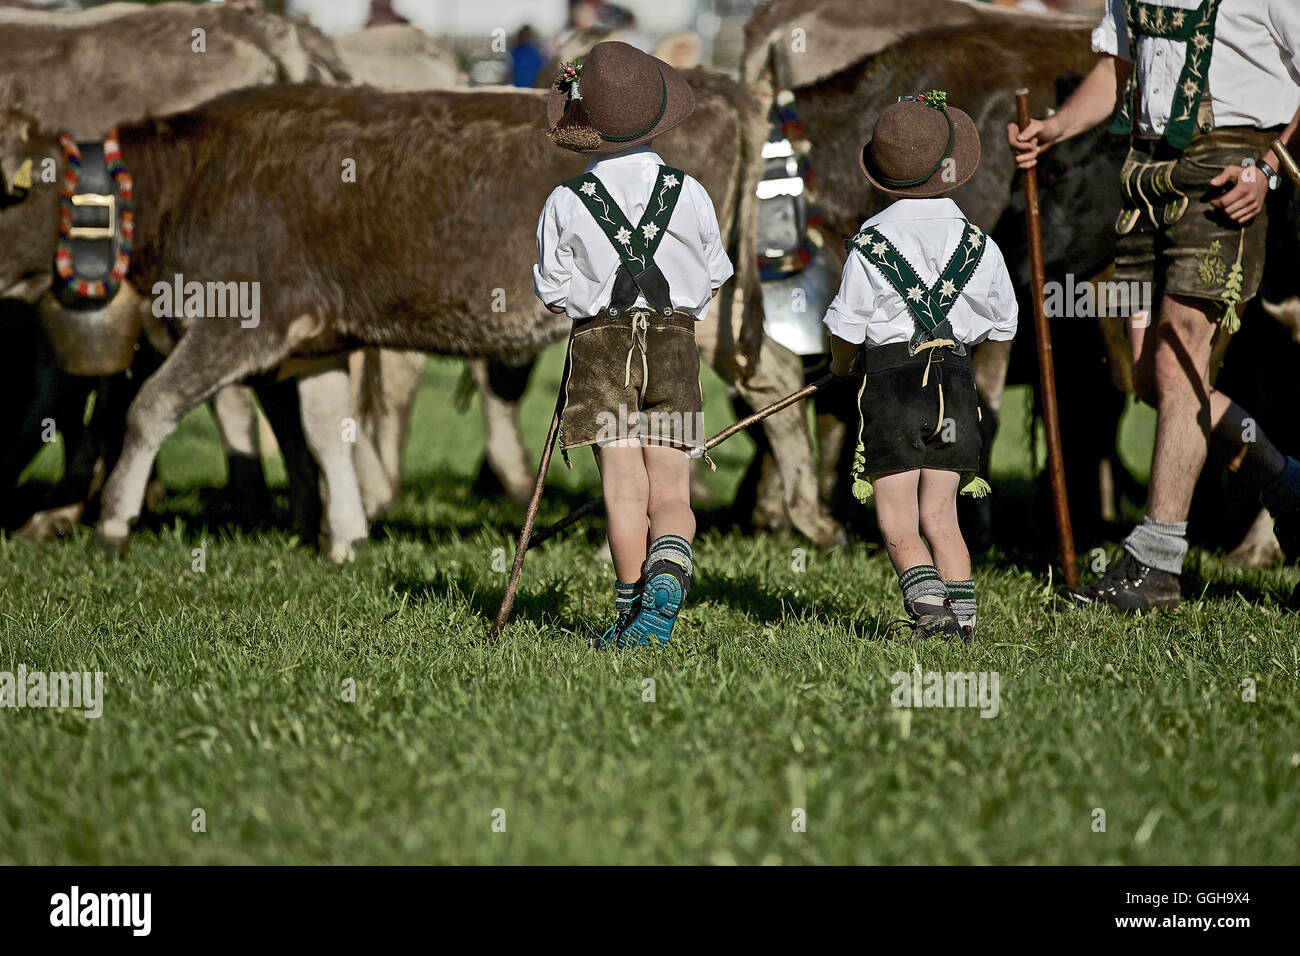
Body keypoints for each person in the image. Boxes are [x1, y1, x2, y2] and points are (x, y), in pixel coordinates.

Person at [1010, 0, 1300, 612]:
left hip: (1230, 174)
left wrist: (1268, 168)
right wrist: (1057, 127)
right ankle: (1290, 486)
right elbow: (1117, 70)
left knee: (1178, 363)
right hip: (1145, 176)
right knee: (1148, 377)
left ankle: (1156, 563)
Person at [533, 42, 733, 649]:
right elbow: (716, 273)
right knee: (672, 490)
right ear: (657, 115)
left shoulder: (566, 200)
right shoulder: (691, 191)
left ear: (587, 123)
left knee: (623, 489)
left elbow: (551, 290)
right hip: (673, 343)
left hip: (600, 349)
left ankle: (629, 610)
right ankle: (668, 572)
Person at [824, 92, 1018, 640]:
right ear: (950, 170)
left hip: (892, 388)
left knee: (896, 518)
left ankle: (932, 617)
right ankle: (965, 622)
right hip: (955, 387)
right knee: (942, 516)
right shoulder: (980, 243)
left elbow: (845, 327)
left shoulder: (870, 242)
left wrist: (843, 367)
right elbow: (1002, 324)